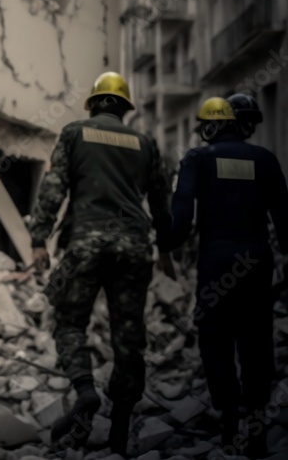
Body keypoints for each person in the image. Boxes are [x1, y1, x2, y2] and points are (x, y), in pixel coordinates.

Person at [29, 71, 173, 455]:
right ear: (125, 108)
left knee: (70, 320)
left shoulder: (75, 133)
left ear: (92, 103)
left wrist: (39, 238)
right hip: (134, 248)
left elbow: (54, 186)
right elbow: (161, 200)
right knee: (129, 337)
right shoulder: (146, 143)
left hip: (85, 244)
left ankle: (85, 390)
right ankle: (120, 429)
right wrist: (170, 249)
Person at [162, 96, 288, 456]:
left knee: (216, 342)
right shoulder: (265, 159)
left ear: (208, 127)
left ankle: (230, 424)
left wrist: (165, 244)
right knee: (256, 342)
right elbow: (285, 221)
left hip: (216, 261)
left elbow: (182, 217)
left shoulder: (198, 159)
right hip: (257, 260)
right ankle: (259, 430)